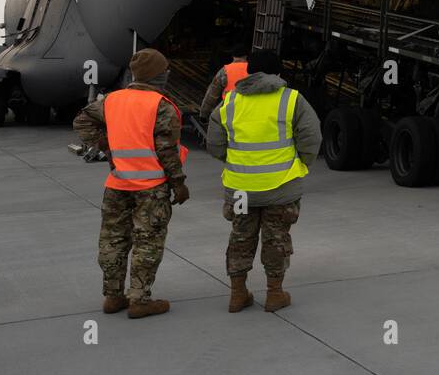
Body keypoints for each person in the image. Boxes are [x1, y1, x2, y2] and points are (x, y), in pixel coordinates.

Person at [73, 48, 189, 318]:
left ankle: (113, 297)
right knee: (147, 242)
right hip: (151, 187)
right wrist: (179, 183)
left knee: (113, 240)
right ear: (160, 76)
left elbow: (81, 121)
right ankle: (140, 300)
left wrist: (107, 147)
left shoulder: (112, 100)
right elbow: (167, 150)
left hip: (118, 184)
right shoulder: (161, 105)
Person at [206, 48, 321, 312]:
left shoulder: (231, 102)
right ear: (279, 72)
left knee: (240, 237)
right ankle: (274, 293)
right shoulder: (292, 99)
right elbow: (311, 137)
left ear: (248, 72)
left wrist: (235, 160)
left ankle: (237, 294)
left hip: (240, 190)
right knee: (276, 239)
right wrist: (302, 162)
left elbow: (214, 144)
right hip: (281, 187)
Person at [198, 47, 249, 123]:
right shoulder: (253, 70)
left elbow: (211, 95)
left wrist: (203, 114)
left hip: (229, 111)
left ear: (233, 56)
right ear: (246, 56)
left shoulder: (224, 71)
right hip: (247, 110)